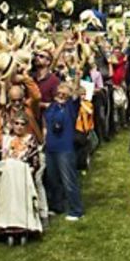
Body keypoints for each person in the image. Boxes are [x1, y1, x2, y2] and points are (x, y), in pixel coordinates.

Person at [43, 82, 84, 221]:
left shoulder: (71, 107)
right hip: (50, 147)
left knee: (68, 180)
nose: (61, 94)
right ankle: (57, 206)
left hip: (65, 148)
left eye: (64, 92)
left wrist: (76, 79)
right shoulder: (52, 107)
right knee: (53, 179)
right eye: (59, 90)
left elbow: (76, 95)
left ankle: (76, 209)